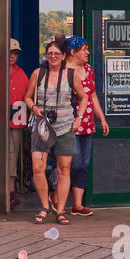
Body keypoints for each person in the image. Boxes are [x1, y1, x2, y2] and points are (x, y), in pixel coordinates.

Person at [24, 37, 89, 226]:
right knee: (38, 167)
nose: (53, 57)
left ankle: (60, 210)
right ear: (46, 55)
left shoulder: (71, 74)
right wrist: (34, 107)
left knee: (64, 169)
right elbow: (27, 97)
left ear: (63, 56)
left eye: (56, 54)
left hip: (65, 126)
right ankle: (44, 206)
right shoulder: (38, 73)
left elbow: (84, 98)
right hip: (42, 126)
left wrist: (78, 119)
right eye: (50, 53)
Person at [65, 35, 109, 217]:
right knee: (72, 163)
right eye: (84, 49)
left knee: (83, 163)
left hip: (88, 124)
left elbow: (92, 95)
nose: (88, 53)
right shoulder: (63, 71)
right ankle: (56, 195)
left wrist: (101, 118)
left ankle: (77, 204)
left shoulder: (88, 69)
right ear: (73, 52)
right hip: (69, 124)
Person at [8, 39, 29, 210]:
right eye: (10, 52)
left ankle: (11, 192)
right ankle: (8, 192)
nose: (13, 56)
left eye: (15, 53)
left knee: (13, 155)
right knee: (6, 154)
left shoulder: (21, 73)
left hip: (17, 119)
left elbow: (26, 97)